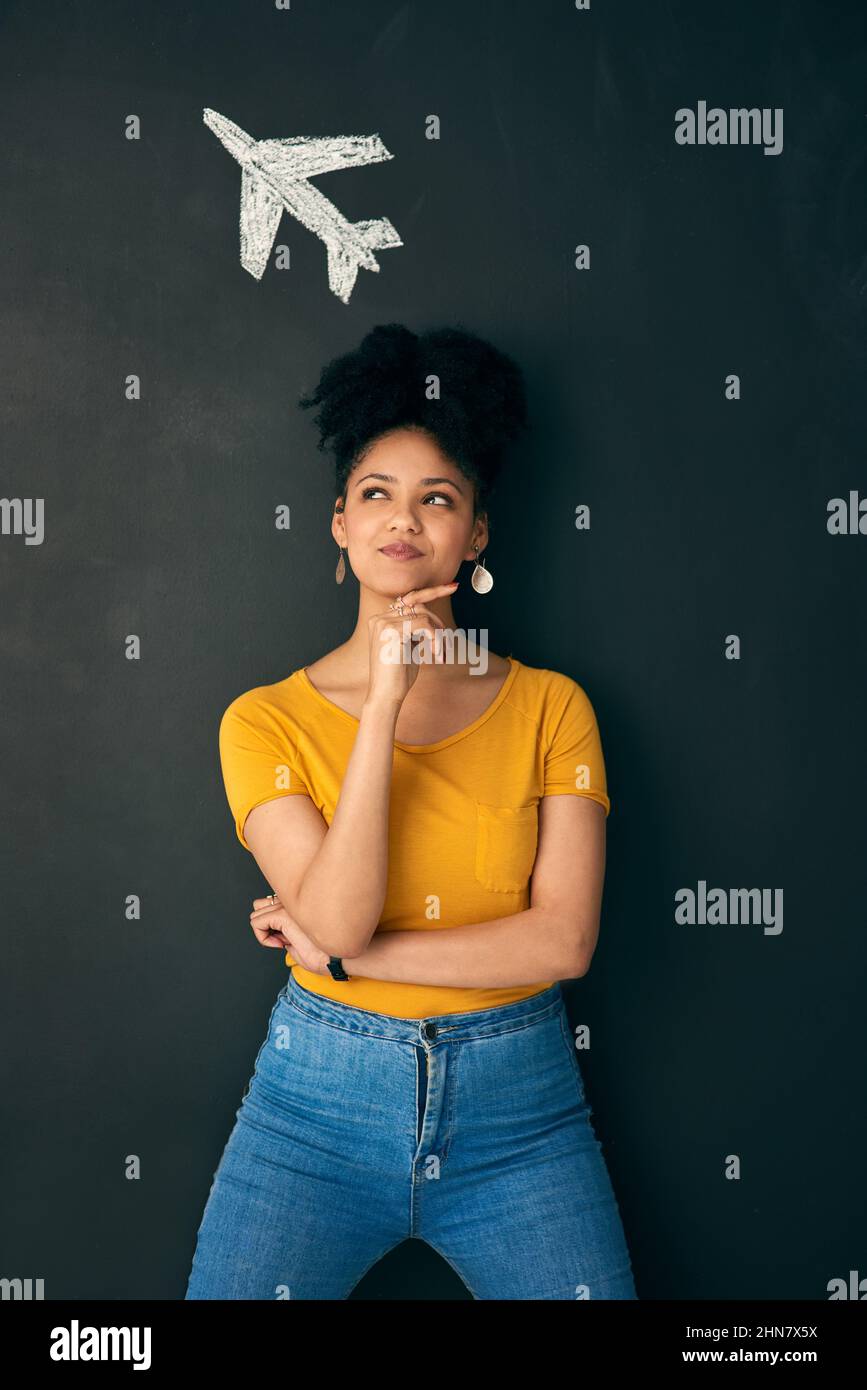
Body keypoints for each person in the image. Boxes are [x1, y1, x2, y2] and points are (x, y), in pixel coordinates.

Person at [185, 323, 638, 1300]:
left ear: (475, 533)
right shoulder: (261, 720)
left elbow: (562, 941)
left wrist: (347, 959)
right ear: (338, 524)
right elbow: (339, 913)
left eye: (438, 498)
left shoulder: (553, 705)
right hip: (314, 1113)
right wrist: (384, 701)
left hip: (523, 1116)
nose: (404, 520)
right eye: (376, 495)